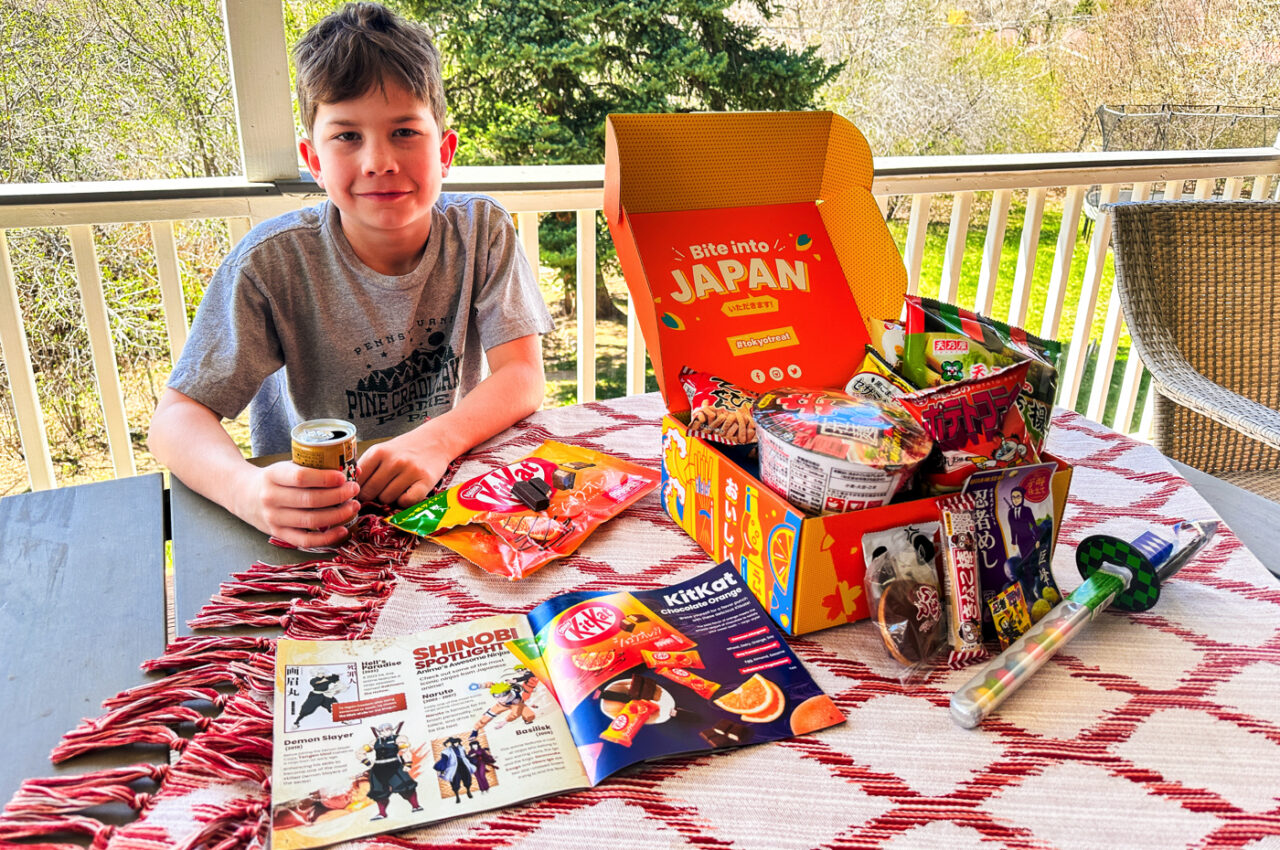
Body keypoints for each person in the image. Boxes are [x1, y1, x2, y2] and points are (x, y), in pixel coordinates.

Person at [148, 2, 553, 549]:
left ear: (445, 150)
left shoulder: (483, 230)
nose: (378, 161)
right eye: (346, 136)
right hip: (316, 515)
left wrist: (435, 442)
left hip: (447, 490)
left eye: (405, 131)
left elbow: (523, 376)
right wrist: (248, 492)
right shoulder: (271, 263)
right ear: (312, 159)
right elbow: (175, 419)